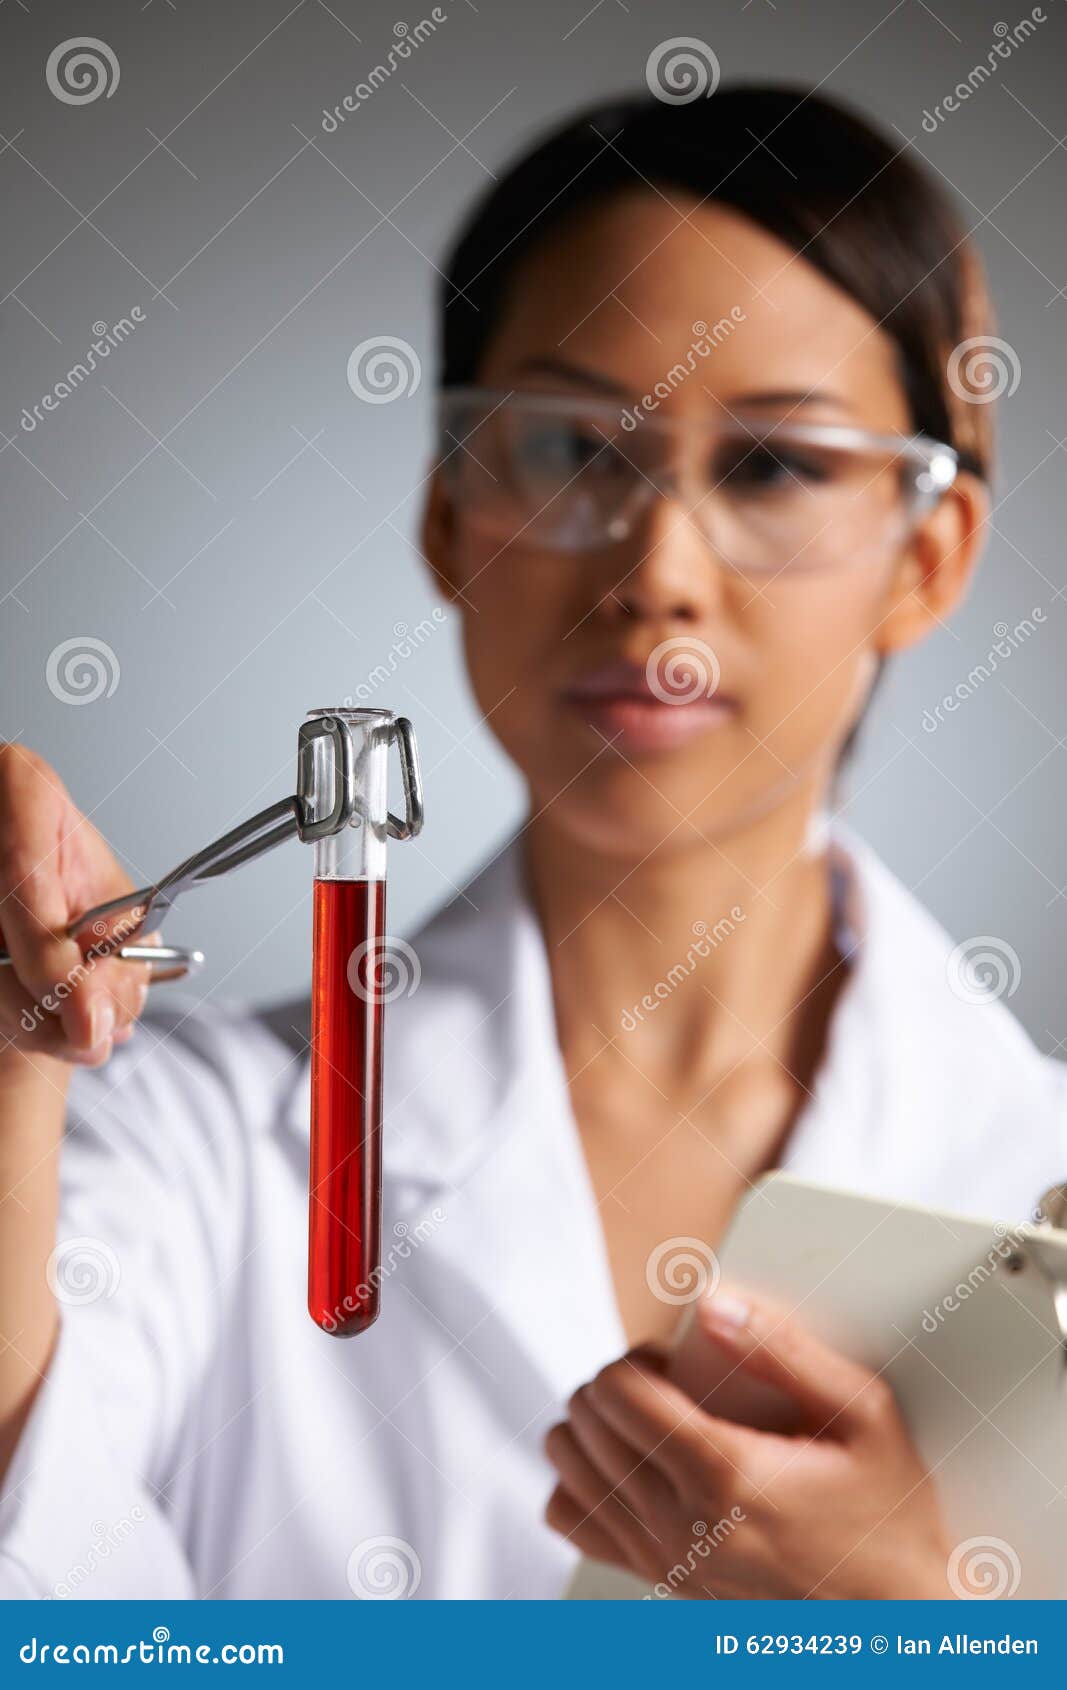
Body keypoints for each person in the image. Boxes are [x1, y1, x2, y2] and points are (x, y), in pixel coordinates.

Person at [0, 86, 1062, 1602]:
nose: (659, 572)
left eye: (770, 465)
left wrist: (953, 1602)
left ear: (930, 553)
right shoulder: (183, 1144)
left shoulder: (1039, 1164)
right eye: (569, 448)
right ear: (448, 517)